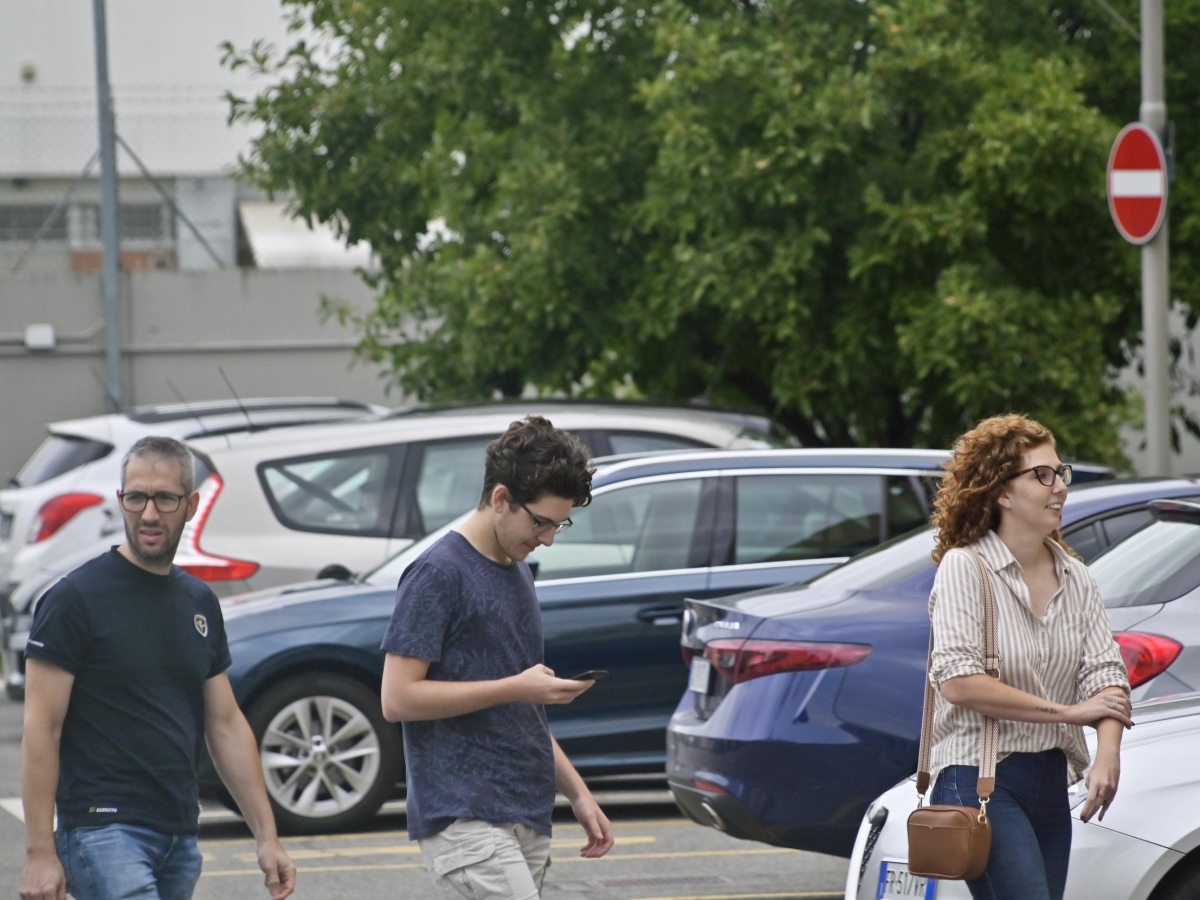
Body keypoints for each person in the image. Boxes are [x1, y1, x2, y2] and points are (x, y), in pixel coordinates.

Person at [19, 436, 296, 900]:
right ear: (120, 501)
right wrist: (39, 853)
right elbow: (41, 728)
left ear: (190, 505)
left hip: (179, 836)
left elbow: (225, 724)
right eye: (136, 498)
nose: (148, 514)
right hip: (102, 830)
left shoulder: (198, 601)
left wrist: (267, 838)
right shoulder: (75, 599)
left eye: (165, 499)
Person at [380, 415, 615, 900]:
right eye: (541, 522)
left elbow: (520, 711)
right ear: (502, 498)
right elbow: (396, 699)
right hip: (464, 816)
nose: (548, 538)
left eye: (559, 524)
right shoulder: (438, 572)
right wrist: (516, 687)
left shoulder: (517, 569)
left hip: (526, 813)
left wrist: (577, 793)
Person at [925, 414, 1132, 900]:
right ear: (1002, 491)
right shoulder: (966, 567)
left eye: (1061, 472)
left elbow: (1107, 674)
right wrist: (1069, 713)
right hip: (979, 777)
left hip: (1049, 779)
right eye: (1042, 475)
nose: (1059, 486)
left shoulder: (1076, 576)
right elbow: (959, 682)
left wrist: (1108, 755)